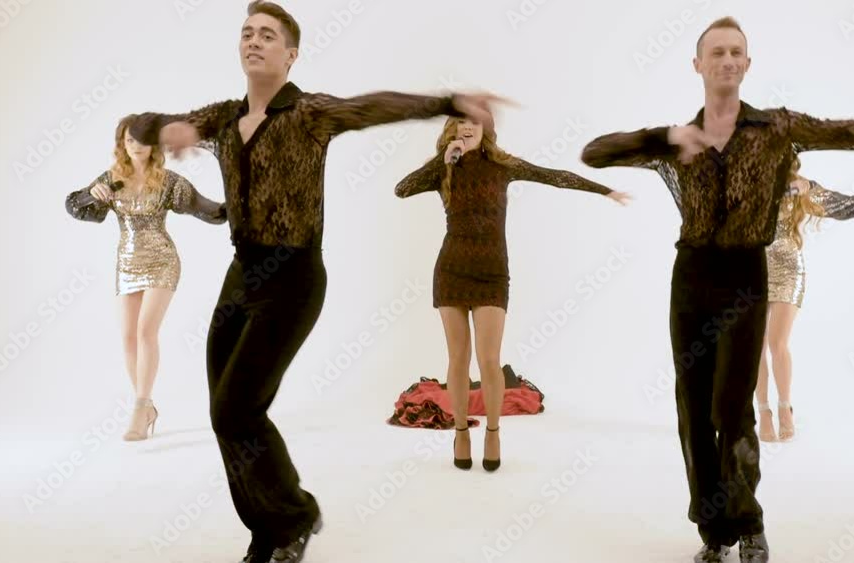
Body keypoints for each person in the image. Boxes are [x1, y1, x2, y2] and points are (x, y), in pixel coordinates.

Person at [127, 2, 506, 561]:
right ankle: (267, 530)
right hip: (241, 274)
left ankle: (296, 516)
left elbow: (371, 108)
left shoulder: (308, 112)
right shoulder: (223, 116)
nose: (254, 40)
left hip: (295, 276)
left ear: (291, 54)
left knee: (238, 410)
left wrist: (446, 103)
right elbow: (140, 126)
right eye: (247, 32)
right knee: (225, 415)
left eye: (268, 35)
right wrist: (165, 128)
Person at [581, 16, 854, 563]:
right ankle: (713, 534)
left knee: (730, 409)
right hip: (690, 277)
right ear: (698, 65)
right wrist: (664, 138)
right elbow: (595, 152)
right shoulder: (677, 138)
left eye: (737, 51)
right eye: (717, 52)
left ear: (748, 64)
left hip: (743, 278)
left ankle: (749, 523)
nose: (728, 59)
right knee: (691, 408)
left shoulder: (778, 127)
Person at [395, 117, 629, 472]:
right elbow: (402, 189)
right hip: (451, 270)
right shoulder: (444, 168)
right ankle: (460, 432)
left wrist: (604, 190)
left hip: (491, 273)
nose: (466, 127)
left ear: (484, 127)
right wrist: (443, 159)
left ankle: (492, 431)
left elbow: (553, 176)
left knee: (490, 360)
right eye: (459, 121)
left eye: (473, 120)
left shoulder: (504, 166)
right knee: (458, 358)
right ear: (452, 129)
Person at [65, 114, 227, 442]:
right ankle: (148, 404)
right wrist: (90, 195)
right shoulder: (112, 179)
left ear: (152, 144)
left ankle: (139, 409)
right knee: (127, 337)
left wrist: (240, 200)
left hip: (162, 259)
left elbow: (208, 210)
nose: (134, 147)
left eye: (140, 141)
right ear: (121, 145)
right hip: (126, 261)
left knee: (145, 331)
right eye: (128, 141)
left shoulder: (168, 181)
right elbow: (73, 205)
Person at [757, 156, 854, 443]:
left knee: (777, 343)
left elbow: (838, 200)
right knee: (755, 347)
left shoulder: (798, 186)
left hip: (788, 269)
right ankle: (764, 411)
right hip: (753, 270)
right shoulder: (749, 185)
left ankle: (784, 408)